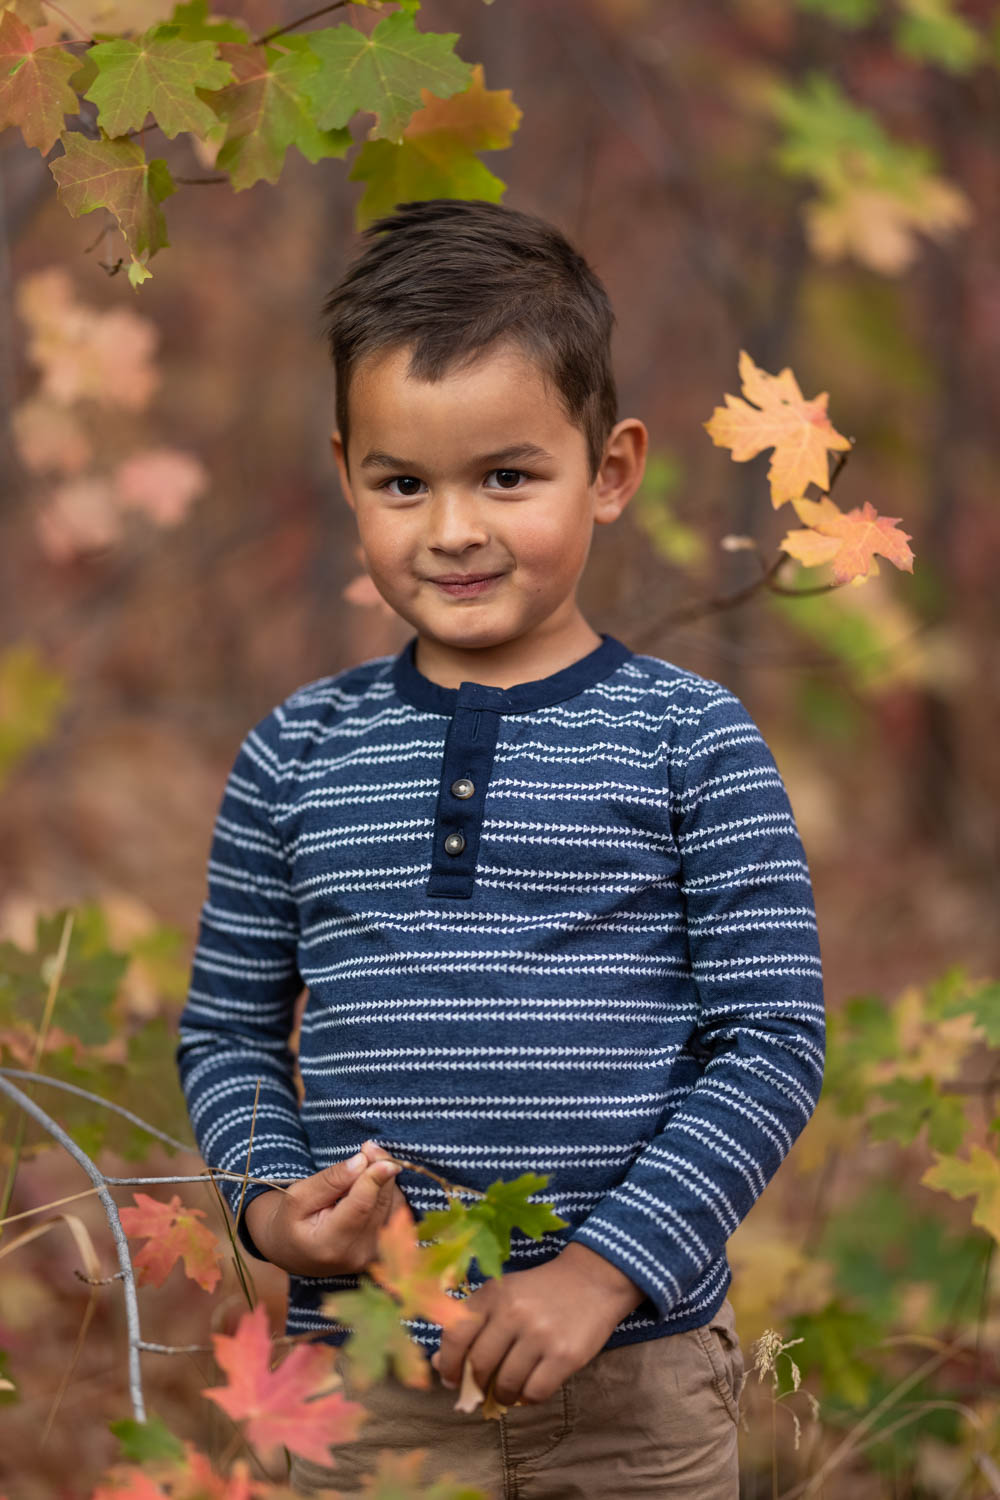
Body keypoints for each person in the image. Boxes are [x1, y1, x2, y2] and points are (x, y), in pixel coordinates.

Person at [174, 198, 826, 1498]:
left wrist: (604, 1269)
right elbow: (230, 1032)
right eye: (402, 483)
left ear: (614, 469)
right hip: (370, 1385)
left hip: (635, 1385)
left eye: (507, 477)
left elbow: (770, 1043)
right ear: (345, 468)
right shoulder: (298, 753)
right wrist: (269, 1209)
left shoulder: (689, 740)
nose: (453, 530)